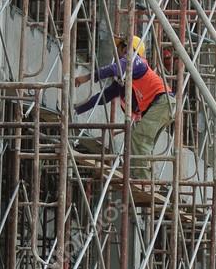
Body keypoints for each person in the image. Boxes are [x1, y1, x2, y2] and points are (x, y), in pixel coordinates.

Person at [74, 35, 175, 179]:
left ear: (127, 49)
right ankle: (144, 177)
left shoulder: (136, 62)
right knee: (142, 141)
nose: (117, 52)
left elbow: (112, 68)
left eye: (119, 48)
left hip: (163, 102)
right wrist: (77, 109)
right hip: (160, 106)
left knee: (139, 138)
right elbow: (102, 98)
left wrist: (86, 78)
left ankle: (143, 180)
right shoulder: (125, 80)